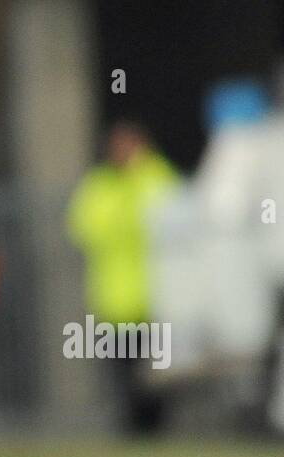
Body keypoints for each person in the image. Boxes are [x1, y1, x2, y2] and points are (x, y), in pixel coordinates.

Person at [67, 120, 179, 433]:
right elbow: (83, 226)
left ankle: (155, 430)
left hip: (155, 298)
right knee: (122, 374)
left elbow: (161, 221)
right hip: (114, 300)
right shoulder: (100, 183)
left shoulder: (156, 176)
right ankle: (132, 430)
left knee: (157, 372)